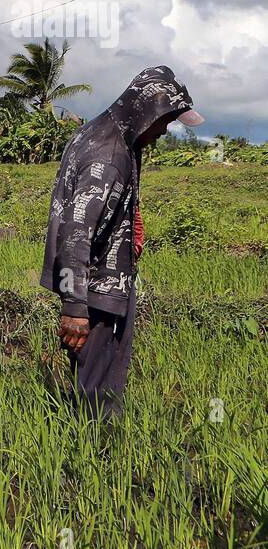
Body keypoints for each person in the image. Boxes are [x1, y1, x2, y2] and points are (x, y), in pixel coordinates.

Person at [40, 66, 203, 418]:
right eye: (166, 120)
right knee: (99, 395)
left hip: (97, 283)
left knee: (91, 383)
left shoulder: (102, 132)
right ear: (148, 113)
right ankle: (97, 458)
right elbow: (75, 232)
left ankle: (88, 450)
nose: (164, 130)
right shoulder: (109, 154)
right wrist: (74, 308)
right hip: (97, 290)